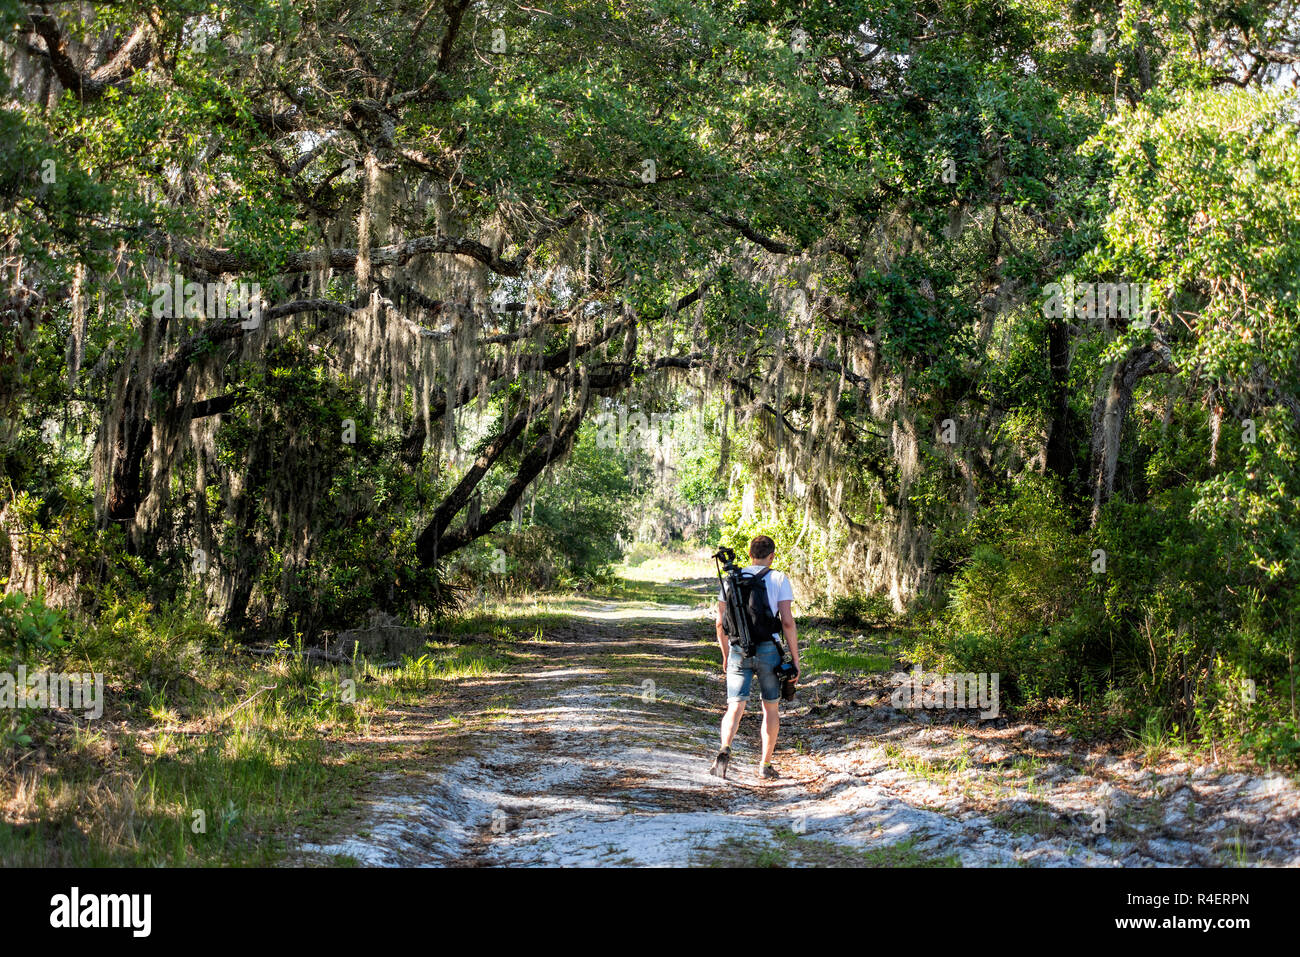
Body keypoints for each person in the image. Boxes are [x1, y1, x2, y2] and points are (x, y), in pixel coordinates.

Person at [709, 535, 799, 780]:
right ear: (772, 556)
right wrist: (795, 659)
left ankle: (724, 749)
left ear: (749, 554)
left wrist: (726, 655)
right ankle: (765, 764)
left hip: (739, 649)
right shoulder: (779, 578)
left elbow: (720, 624)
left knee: (735, 706)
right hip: (769, 649)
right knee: (770, 708)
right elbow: (788, 622)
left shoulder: (730, 581)